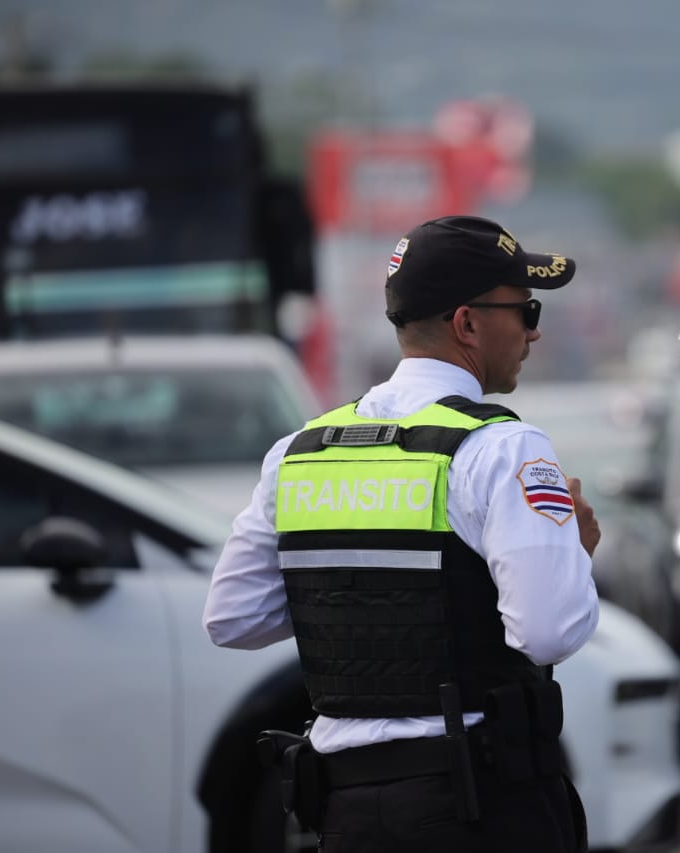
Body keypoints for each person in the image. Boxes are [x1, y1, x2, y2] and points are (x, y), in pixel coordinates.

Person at [203, 214, 601, 853]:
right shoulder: (503, 447)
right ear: (467, 324)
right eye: (525, 310)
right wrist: (574, 555)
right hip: (479, 808)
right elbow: (549, 631)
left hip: (347, 814)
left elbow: (234, 618)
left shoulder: (299, 454)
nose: (534, 331)